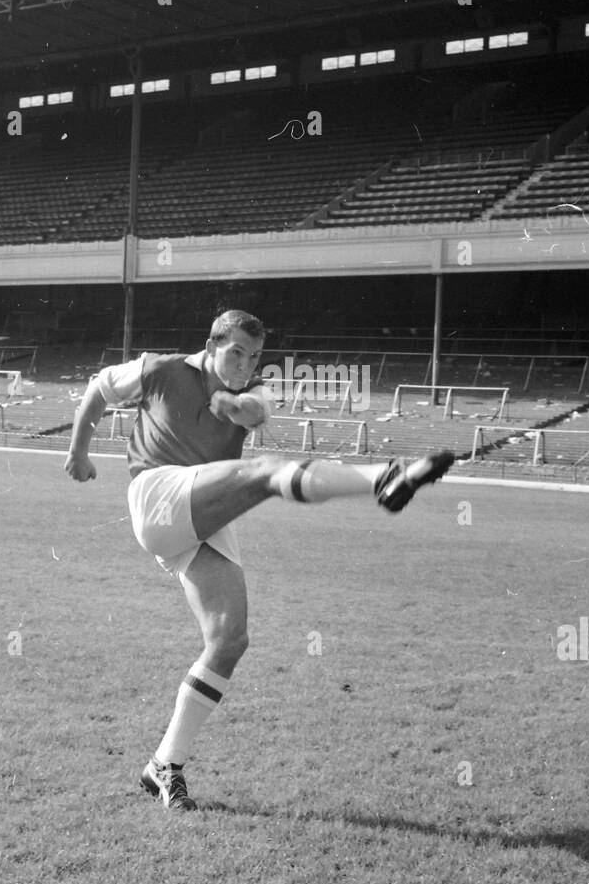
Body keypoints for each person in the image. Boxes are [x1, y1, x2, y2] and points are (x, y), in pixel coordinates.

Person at [63, 309, 454, 811]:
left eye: (253, 357)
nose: (245, 365)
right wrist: (79, 451)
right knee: (267, 472)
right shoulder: (159, 370)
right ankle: (382, 478)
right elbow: (98, 387)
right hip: (157, 495)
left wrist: (236, 405)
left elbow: (252, 412)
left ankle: (164, 765)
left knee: (228, 640)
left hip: (201, 513)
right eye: (235, 353)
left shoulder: (254, 389)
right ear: (210, 345)